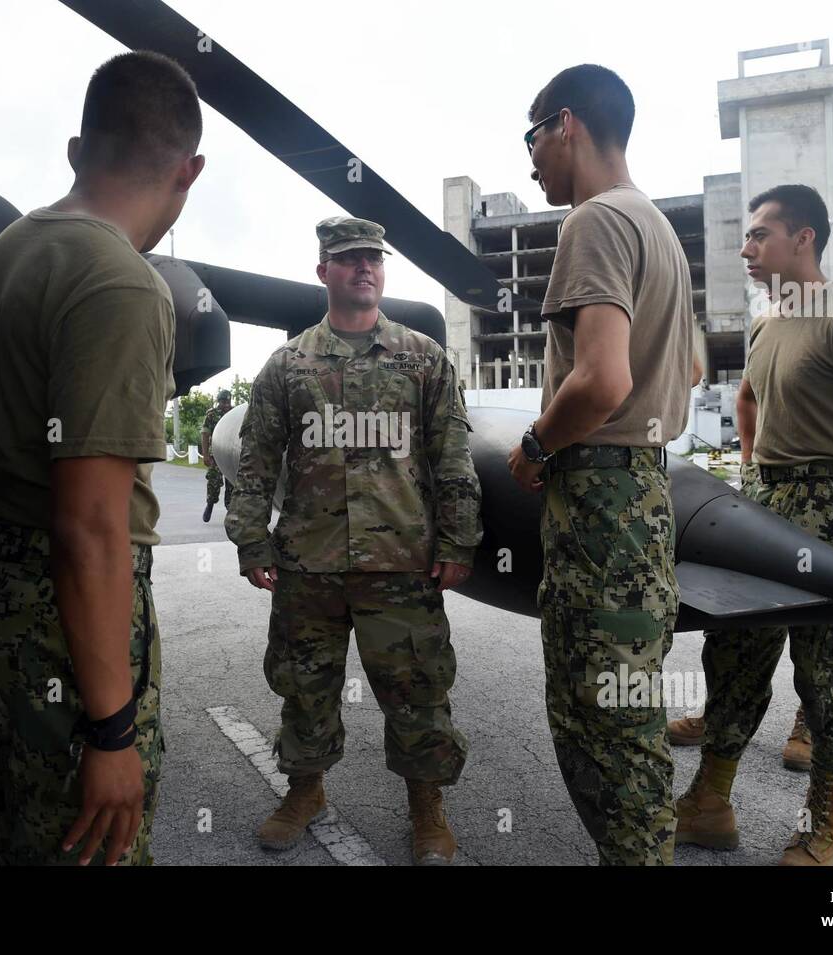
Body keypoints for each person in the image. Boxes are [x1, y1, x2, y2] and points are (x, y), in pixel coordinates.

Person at [0, 51, 204, 865]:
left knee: (32, 837)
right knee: (92, 848)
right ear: (189, 171)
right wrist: (112, 730)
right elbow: (90, 527)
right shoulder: (121, 281)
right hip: (59, 633)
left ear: (75, 150)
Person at [674, 183, 833, 865]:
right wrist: (752, 468)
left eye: (760, 234)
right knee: (734, 657)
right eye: (748, 236)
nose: (746, 247)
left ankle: (823, 824)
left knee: (826, 680)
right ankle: (710, 802)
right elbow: (750, 397)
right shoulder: (766, 320)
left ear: (804, 238)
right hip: (765, 510)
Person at [227, 216, 482, 865]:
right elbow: (254, 460)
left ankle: (427, 808)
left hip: (400, 563)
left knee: (418, 688)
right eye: (348, 258)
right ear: (324, 272)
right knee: (303, 685)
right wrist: (252, 542)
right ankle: (305, 790)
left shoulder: (423, 358)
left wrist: (458, 540)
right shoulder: (288, 364)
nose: (364, 267)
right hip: (308, 563)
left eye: (373, 256)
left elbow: (453, 457)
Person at [507, 65, 693, 865]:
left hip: (602, 500)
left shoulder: (594, 222)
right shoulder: (657, 227)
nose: (530, 161)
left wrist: (537, 444)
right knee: (631, 713)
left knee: (601, 734)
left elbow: (604, 378)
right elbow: (679, 376)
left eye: (532, 137)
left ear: (567, 125)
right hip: (647, 490)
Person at [201, 389, 234, 522]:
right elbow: (205, 434)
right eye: (223, 401)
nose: (225, 404)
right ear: (218, 401)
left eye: (227, 401)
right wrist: (205, 455)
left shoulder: (234, 413)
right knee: (214, 481)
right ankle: (210, 504)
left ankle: (230, 510)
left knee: (232, 483)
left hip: (230, 454)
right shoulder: (212, 415)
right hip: (215, 454)